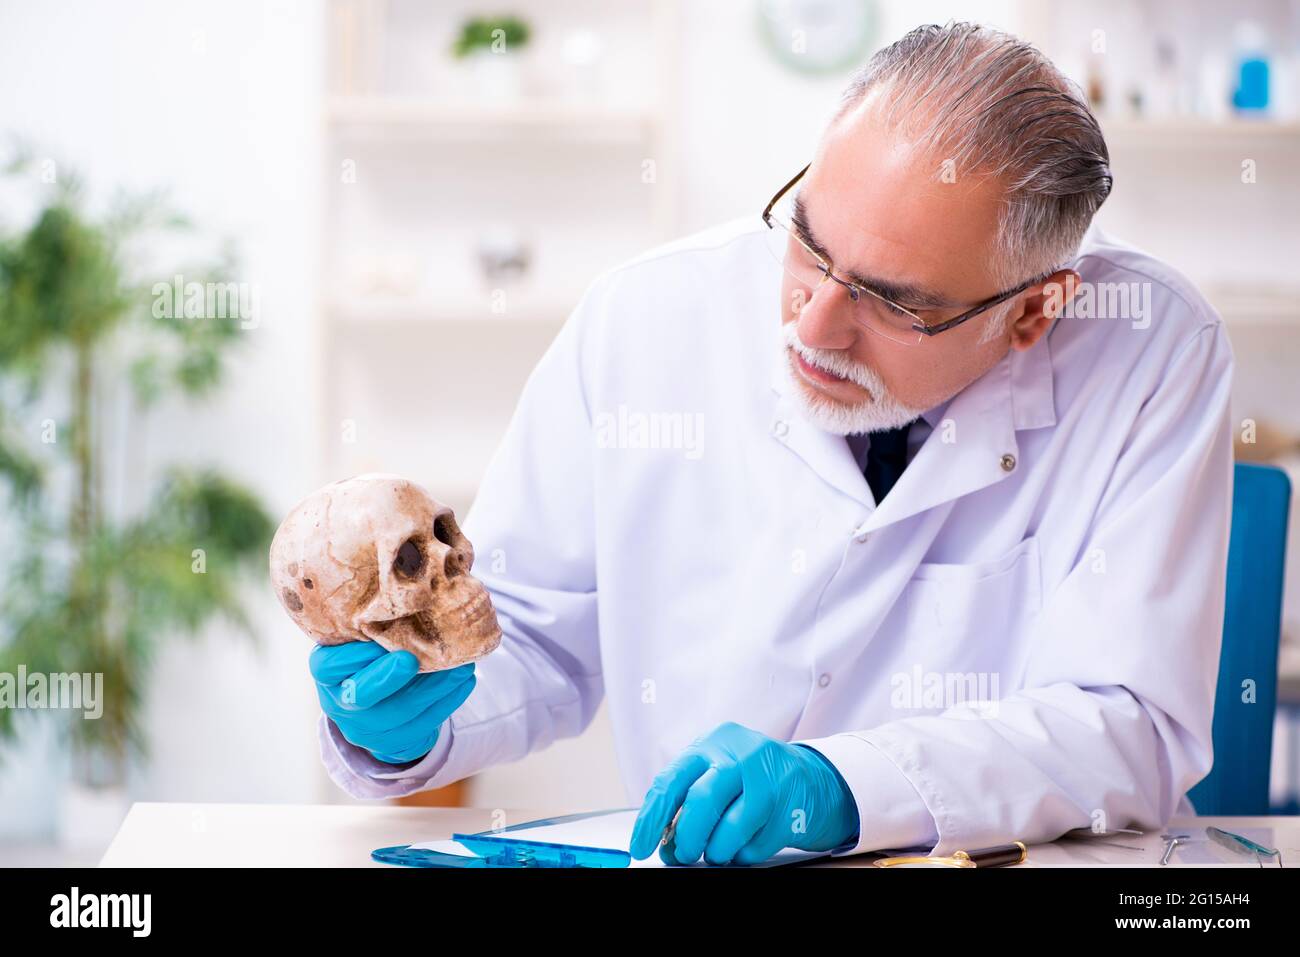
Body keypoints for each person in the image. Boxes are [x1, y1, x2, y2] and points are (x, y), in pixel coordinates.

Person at [310, 21, 1233, 865]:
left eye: (894, 300)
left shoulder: (1152, 348)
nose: (814, 324)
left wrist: (846, 786)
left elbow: (1131, 726)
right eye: (807, 241)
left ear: (1035, 310)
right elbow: (533, 635)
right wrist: (416, 708)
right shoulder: (643, 319)